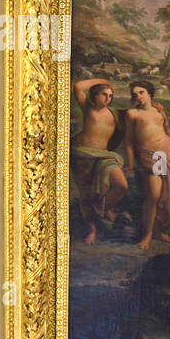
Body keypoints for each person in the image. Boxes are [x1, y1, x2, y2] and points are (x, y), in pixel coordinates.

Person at [124, 79, 170, 251]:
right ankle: (147, 234)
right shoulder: (132, 114)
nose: (138, 96)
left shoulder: (159, 112)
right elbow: (128, 141)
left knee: (163, 194)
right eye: (135, 94)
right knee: (154, 196)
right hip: (152, 156)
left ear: (150, 93)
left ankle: (156, 231)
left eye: (141, 92)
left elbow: (169, 134)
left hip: (168, 153)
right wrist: (129, 162)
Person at [70, 78, 128, 245]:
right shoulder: (88, 109)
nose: (107, 98)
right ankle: (92, 230)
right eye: (104, 94)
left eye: (110, 96)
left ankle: (102, 207)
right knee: (85, 195)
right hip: (83, 156)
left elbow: (134, 114)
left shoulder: (114, 114)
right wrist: (102, 80)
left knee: (121, 185)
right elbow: (78, 86)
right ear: (94, 96)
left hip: (104, 157)